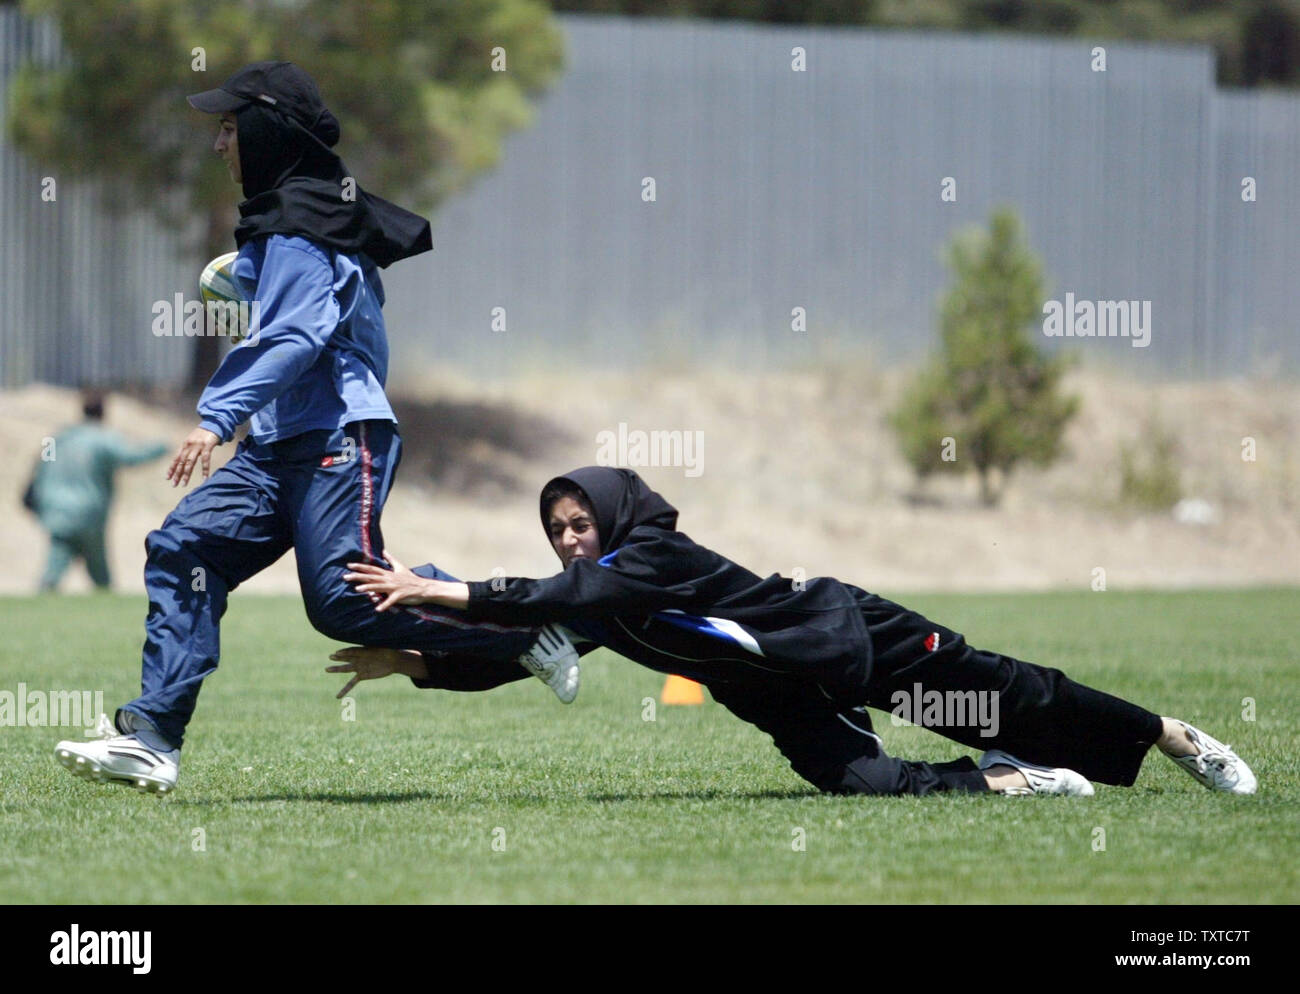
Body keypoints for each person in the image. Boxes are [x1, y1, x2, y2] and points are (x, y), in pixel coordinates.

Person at [53, 62, 579, 796]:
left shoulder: (303, 224)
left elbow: (298, 333)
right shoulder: (293, 221)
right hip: (274, 447)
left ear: (267, 130)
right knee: (183, 546)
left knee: (341, 601)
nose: (219, 146)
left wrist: (215, 418)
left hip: (339, 436)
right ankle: (152, 738)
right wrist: (248, 276)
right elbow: (312, 309)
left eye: (230, 129)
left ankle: (524, 625)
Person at [336, 466, 1258, 797]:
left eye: (582, 524)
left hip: (848, 638)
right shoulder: (597, 604)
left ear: (615, 517)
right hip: (785, 698)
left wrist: (435, 588)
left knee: (1005, 695)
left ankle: (1176, 739)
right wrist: (413, 659)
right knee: (861, 781)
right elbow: (519, 650)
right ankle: (1019, 783)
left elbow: (534, 600)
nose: (572, 540)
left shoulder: (649, 554)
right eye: (559, 531)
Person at [25, 390, 167, 592]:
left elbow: (42, 468)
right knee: (98, 568)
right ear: (103, 413)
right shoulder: (103, 439)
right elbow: (131, 456)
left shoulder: (58, 439)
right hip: (89, 511)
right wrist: (161, 447)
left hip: (55, 509)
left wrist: (40, 502)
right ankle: (106, 598)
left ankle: (43, 597)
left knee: (56, 564)